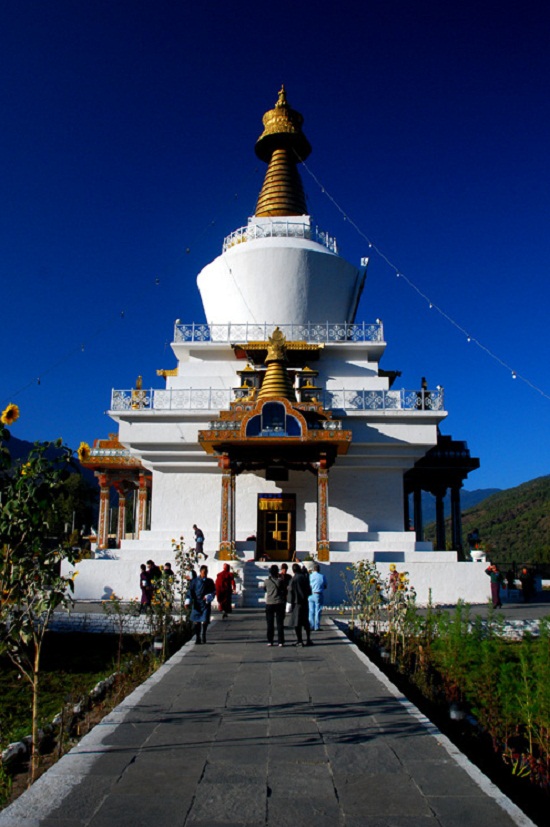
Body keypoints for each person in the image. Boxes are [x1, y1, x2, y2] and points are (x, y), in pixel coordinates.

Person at [186, 565, 216, 644]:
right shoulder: (195, 581)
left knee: (205, 620)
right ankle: (197, 637)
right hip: (197, 603)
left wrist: (209, 596)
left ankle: (204, 634)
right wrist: (188, 601)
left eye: (206, 573)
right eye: (203, 573)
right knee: (196, 621)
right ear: (200, 572)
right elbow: (190, 591)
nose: (205, 574)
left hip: (205, 603)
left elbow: (213, 591)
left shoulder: (210, 581)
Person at [287, 562, 313, 647]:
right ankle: (308, 639)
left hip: (297, 602)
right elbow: (309, 590)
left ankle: (299, 640)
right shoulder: (304, 577)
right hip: (304, 601)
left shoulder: (294, 579)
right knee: (305, 621)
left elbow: (290, 590)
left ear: (293, 571)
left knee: (297, 622)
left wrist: (290, 601)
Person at [262, 564, 286, 646]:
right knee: (280, 623)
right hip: (279, 603)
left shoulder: (266, 581)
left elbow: (265, 589)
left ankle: (270, 641)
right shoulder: (280, 581)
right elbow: (283, 589)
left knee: (270, 623)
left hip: (269, 603)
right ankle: (280, 641)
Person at [308, 563, 327, 631]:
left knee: (311, 611)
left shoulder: (310, 576)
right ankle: (317, 626)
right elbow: (325, 586)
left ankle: (311, 625)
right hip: (318, 594)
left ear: (313, 569)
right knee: (317, 611)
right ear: (319, 569)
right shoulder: (322, 576)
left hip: (310, 594)